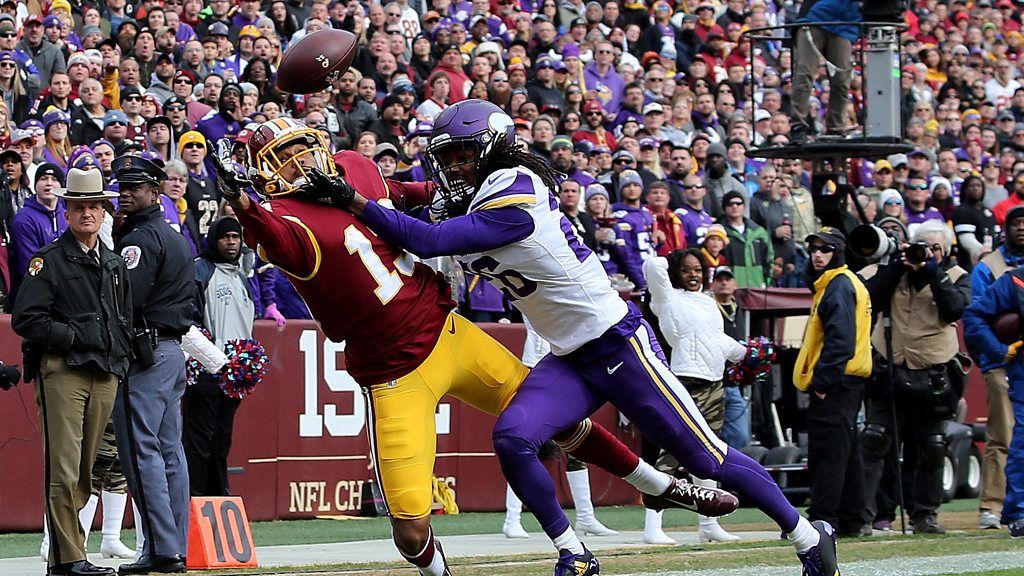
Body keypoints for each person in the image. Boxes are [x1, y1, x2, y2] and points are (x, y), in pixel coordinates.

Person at [345, 99, 840, 576]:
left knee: (704, 457)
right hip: (569, 356)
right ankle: (573, 552)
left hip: (618, 345)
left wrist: (351, 199)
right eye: (446, 158)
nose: (452, 168)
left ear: (493, 148)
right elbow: (415, 196)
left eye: (462, 156)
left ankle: (807, 536)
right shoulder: (477, 191)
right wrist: (355, 181)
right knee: (514, 438)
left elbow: (426, 238)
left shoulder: (514, 191)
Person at [214, 117, 722, 576]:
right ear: (266, 176)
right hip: (395, 373)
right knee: (410, 529)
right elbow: (271, 235)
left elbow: (407, 191)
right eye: (285, 158)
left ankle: (662, 485)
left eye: (304, 147)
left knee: (558, 422)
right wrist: (239, 200)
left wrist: (474, 191)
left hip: (449, 332)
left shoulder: (353, 168)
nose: (302, 162)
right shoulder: (284, 219)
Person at [12, 167, 131, 576]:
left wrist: (120, 358)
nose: (87, 214)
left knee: (86, 468)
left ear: (103, 213)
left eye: (94, 207)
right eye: (79, 207)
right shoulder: (49, 261)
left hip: (104, 372)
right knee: (64, 465)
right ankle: (69, 558)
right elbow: (26, 319)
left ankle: (67, 557)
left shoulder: (114, 263)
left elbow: (122, 318)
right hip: (64, 370)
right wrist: (73, 337)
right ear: (67, 212)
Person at [110, 153, 195, 575]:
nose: (126, 194)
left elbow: (125, 300)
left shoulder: (138, 241)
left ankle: (162, 549)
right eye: (122, 187)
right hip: (172, 350)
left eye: (135, 187)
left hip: (145, 353)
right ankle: (176, 544)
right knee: (170, 452)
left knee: (141, 452)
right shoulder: (176, 237)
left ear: (155, 191)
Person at [860, 220, 970, 535]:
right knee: (875, 440)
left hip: (934, 374)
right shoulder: (892, 273)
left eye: (936, 248)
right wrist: (898, 267)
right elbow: (870, 301)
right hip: (889, 369)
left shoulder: (957, 276)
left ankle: (925, 514)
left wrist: (932, 271)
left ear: (946, 250)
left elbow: (955, 308)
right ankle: (867, 515)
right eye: (924, 246)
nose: (928, 253)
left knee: (933, 445)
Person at [645, 249, 745, 544]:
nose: (693, 275)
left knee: (710, 452)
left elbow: (714, 339)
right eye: (687, 270)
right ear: (676, 272)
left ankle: (709, 522)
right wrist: (675, 253)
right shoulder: (667, 299)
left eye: (698, 270)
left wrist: (743, 353)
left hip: (715, 382)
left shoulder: (709, 302)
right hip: (685, 381)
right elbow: (653, 265)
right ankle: (653, 523)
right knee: (672, 451)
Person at [795, 227, 872, 538]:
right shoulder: (841, 283)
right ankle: (854, 518)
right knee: (846, 450)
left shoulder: (838, 286)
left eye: (825, 249)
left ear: (837, 253)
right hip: (849, 381)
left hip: (837, 382)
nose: (817, 254)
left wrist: (824, 382)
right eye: (814, 248)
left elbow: (840, 340)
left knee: (828, 451)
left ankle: (823, 519)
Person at [184, 217, 254, 497]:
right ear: (214, 239)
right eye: (225, 237)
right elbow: (189, 317)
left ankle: (217, 494)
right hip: (206, 367)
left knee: (222, 437)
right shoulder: (201, 270)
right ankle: (194, 496)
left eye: (235, 237)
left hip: (235, 370)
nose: (231, 242)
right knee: (198, 437)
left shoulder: (241, 275)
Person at [970, 205, 1024, 530]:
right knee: (1018, 443)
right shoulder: (1013, 280)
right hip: (1022, 373)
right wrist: (999, 351)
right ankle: (1018, 512)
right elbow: (974, 317)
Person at [790, 0, 861, 142]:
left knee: (842, 80)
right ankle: (799, 125)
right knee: (805, 73)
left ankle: (835, 128)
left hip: (845, 26)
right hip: (814, 19)